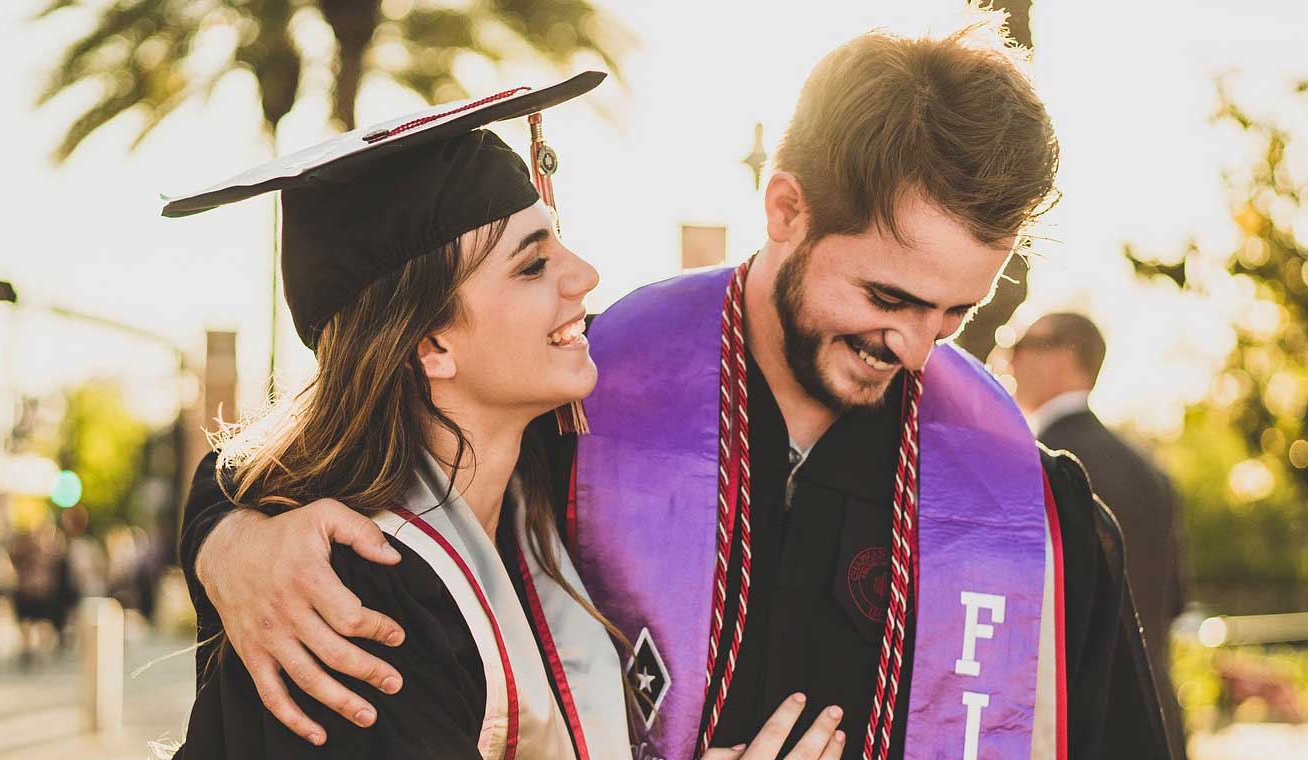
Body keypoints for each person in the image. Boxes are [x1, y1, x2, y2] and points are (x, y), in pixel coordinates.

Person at [184, 21, 1179, 760]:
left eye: (955, 314)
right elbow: (342, 450)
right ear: (784, 207)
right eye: (887, 297)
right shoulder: (575, 417)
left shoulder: (1029, 518)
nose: (918, 353)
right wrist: (227, 532)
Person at [163, 72, 846, 759]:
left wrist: (222, 533)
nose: (583, 275)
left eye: (556, 242)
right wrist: (229, 536)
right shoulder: (348, 601)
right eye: (532, 265)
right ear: (431, 344)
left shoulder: (542, 479)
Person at [1007, 311, 1189, 755]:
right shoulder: (1151, 473)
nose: (1006, 359)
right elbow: (1176, 599)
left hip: (1067, 727)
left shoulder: (1033, 467)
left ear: (1063, 358)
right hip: (1152, 720)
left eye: (1019, 343)